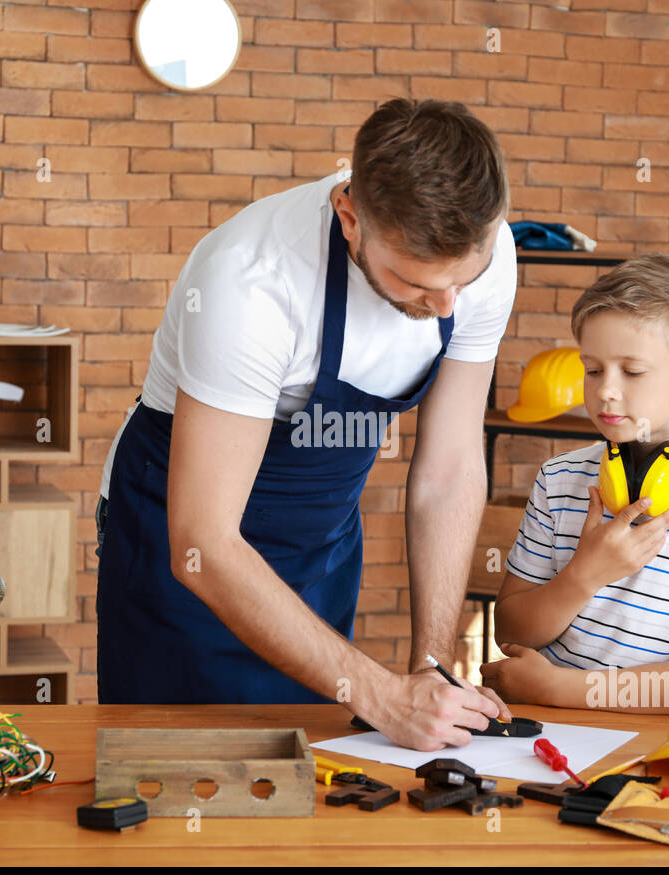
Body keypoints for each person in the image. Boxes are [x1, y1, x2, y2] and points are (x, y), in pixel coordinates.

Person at [96, 99, 519, 750]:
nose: (447, 306)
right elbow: (205, 543)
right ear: (351, 218)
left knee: (304, 781)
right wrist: (379, 695)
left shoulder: (486, 255)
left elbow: (451, 466)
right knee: (177, 782)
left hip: (318, 544)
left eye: (465, 279)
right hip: (185, 543)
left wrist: (430, 670)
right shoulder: (252, 282)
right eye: (415, 283)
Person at [481, 254, 669, 710]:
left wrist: (556, 689)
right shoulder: (558, 480)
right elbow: (511, 632)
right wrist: (585, 575)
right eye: (593, 369)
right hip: (543, 732)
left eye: (633, 371)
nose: (605, 391)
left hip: (654, 741)